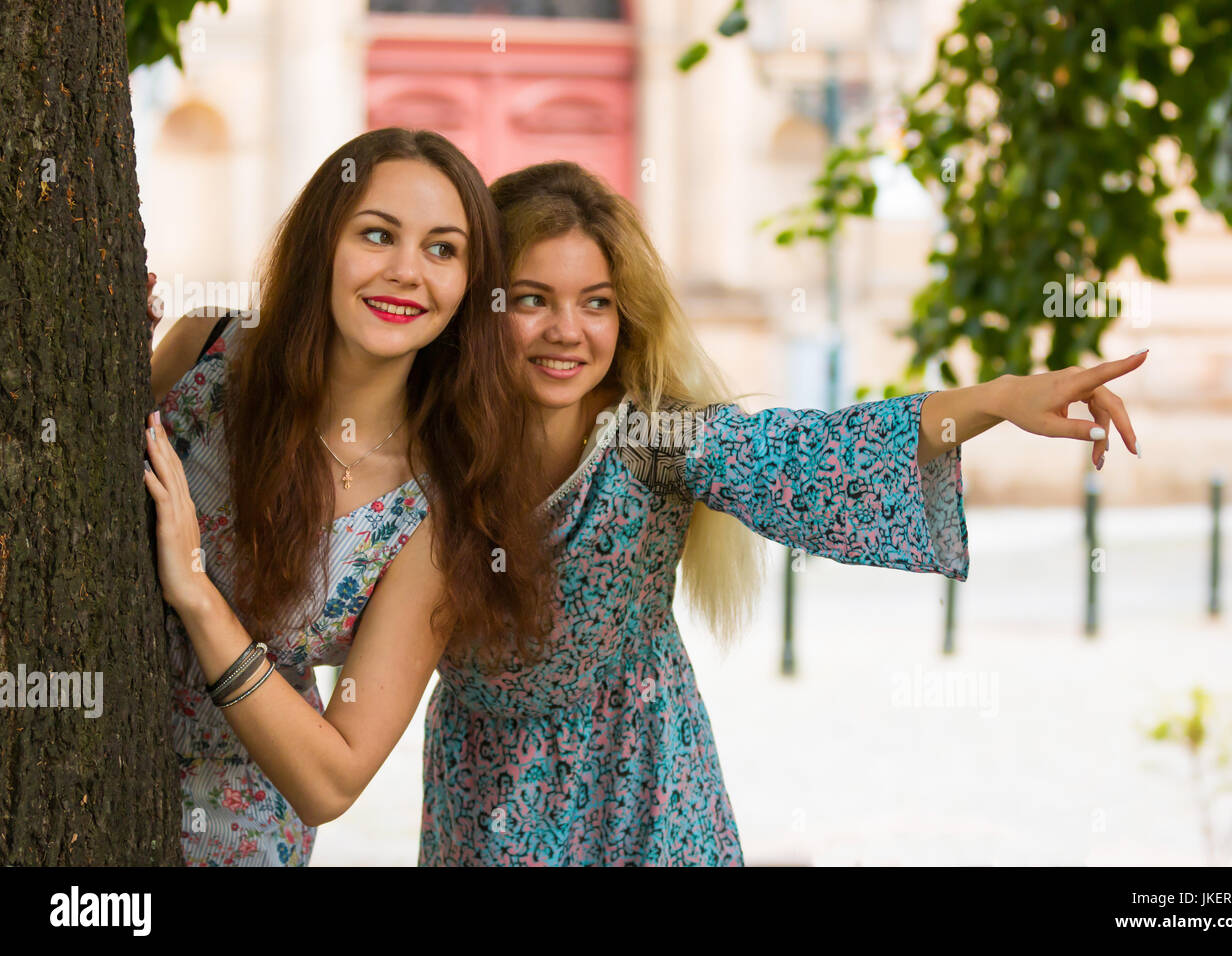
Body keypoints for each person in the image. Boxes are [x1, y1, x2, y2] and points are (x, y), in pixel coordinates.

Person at [419, 160, 1147, 866]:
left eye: (597, 301)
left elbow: (816, 453)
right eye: (531, 298)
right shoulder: (427, 453)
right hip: (482, 783)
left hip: (640, 775)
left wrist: (998, 398)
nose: (567, 329)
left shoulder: (652, 440)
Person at [144, 127, 551, 865]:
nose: (406, 272)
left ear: (468, 286)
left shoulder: (438, 513)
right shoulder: (210, 346)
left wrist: (196, 593)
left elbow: (331, 781)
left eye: (442, 250)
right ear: (323, 242)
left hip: (231, 826)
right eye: (377, 234)